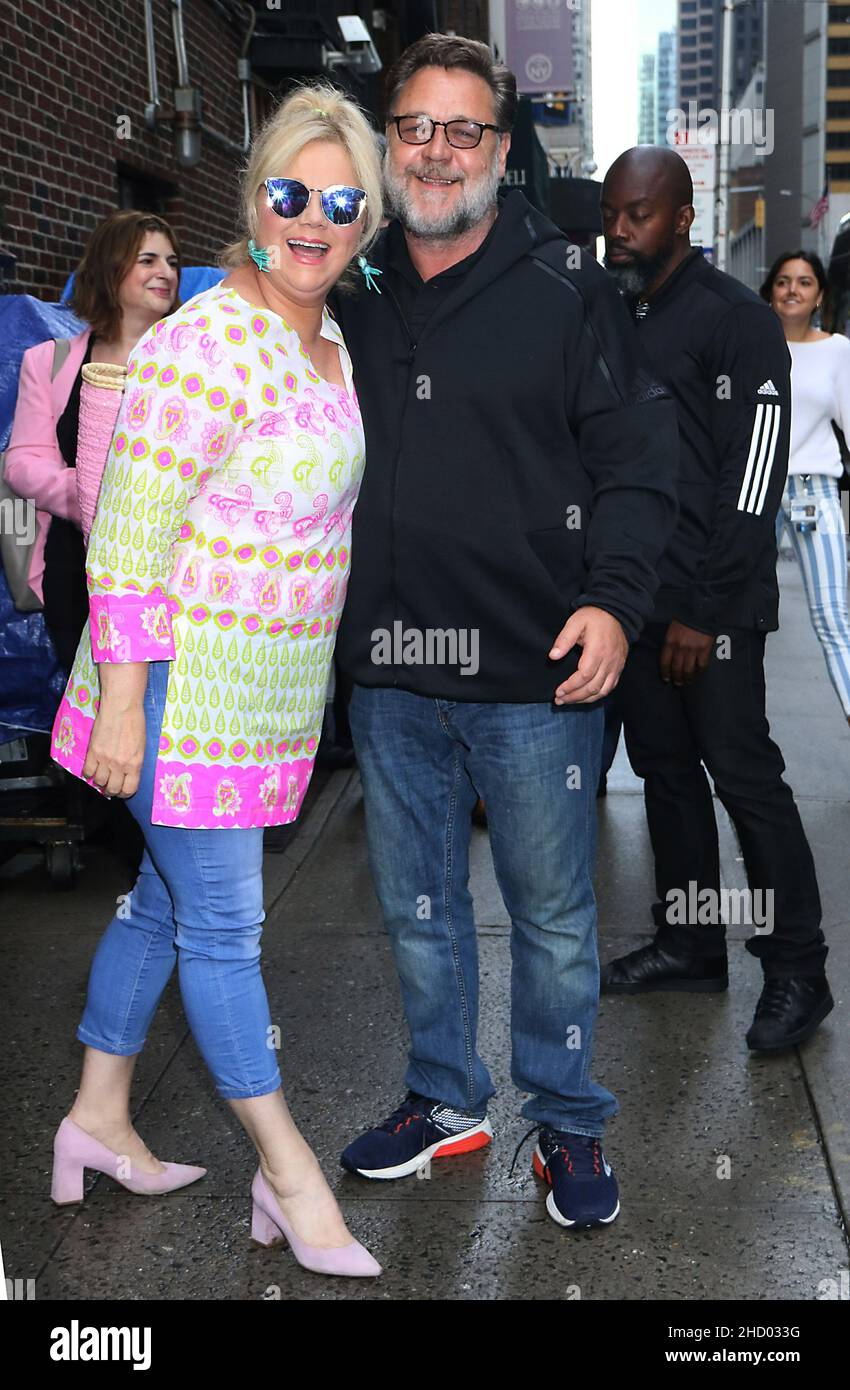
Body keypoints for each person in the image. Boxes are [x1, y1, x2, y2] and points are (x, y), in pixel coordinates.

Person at [330, 35, 679, 1230]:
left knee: (553, 918)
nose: (437, 151)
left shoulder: (567, 288)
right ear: (390, 143)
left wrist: (614, 598)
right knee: (418, 909)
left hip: (537, 676)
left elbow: (639, 461)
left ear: (500, 148)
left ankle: (569, 1120)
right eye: (416, 127)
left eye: (462, 129)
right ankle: (444, 1099)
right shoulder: (348, 288)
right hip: (387, 675)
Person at [47, 82, 384, 1279]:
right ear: (253, 198)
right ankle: (287, 1174)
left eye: (342, 202)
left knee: (163, 907)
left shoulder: (332, 342)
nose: (314, 218)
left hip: (264, 700)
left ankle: (93, 1116)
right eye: (291, 191)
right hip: (174, 694)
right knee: (228, 927)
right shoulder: (200, 341)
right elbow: (128, 539)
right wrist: (128, 705)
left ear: (366, 221)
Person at [598, 147, 832, 1053]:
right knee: (662, 775)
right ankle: (690, 942)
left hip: (714, 606)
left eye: (639, 214)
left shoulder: (738, 320)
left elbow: (756, 477)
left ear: (684, 216)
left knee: (745, 779)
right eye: (613, 213)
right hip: (639, 601)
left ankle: (800, 970)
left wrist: (703, 608)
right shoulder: (617, 311)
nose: (620, 229)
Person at [5, 211, 181, 672]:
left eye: (172, 261)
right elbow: (22, 463)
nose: (166, 272)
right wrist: (92, 496)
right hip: (76, 576)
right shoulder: (49, 361)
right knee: (89, 721)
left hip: (174, 577)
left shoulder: (192, 364)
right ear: (110, 268)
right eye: (148, 260)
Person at [762, 250, 850, 727]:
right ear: (771, 291)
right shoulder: (752, 344)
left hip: (815, 492)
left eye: (804, 282)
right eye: (783, 281)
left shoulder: (838, 350)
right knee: (735, 618)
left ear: (819, 295)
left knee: (834, 620)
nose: (792, 290)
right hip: (755, 492)